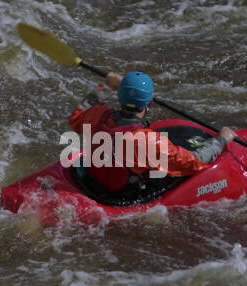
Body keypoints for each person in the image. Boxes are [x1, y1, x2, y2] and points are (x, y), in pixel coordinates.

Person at [67, 70, 236, 194]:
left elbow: (76, 117)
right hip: (119, 190)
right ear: (150, 104)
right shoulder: (148, 142)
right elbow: (194, 162)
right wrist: (220, 141)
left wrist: (104, 86)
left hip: (92, 177)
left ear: (120, 97)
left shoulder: (97, 114)